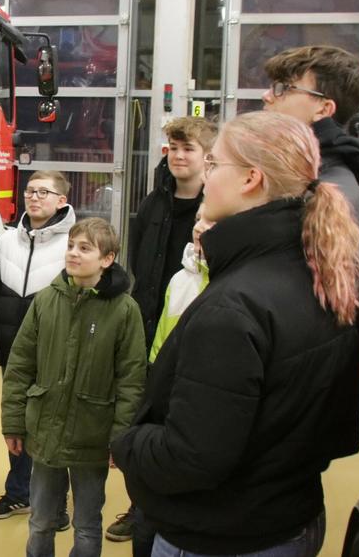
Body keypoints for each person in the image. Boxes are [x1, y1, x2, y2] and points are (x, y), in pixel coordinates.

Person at [112, 111, 359, 556]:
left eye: (214, 164)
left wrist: (127, 442)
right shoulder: (323, 275)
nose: (206, 178)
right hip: (289, 516)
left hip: (221, 534)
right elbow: (338, 428)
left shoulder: (234, 308)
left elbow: (190, 457)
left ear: (251, 178)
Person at [2, 218, 146, 557]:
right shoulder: (46, 301)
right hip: (46, 431)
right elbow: (20, 365)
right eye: (70, 246)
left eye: (85, 248)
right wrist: (13, 422)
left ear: (107, 259)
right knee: (40, 522)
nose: (73, 254)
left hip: (91, 436)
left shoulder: (125, 311)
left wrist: (118, 437)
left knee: (87, 525)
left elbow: (131, 379)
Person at [262, 45, 359, 460]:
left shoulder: (326, 189)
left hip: (291, 415)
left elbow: (315, 321)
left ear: (323, 108)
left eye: (283, 89)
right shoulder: (309, 177)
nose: (267, 97)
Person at [113, 115, 215, 549]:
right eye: (172, 148)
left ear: (208, 158)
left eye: (187, 149)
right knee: (143, 417)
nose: (177, 156)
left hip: (197, 336)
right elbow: (138, 258)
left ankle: (173, 509)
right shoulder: (154, 203)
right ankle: (141, 508)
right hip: (150, 326)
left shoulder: (217, 209)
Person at [0, 171, 76, 523]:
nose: (34, 197)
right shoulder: (6, 241)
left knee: (53, 428)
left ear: (61, 201)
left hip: (57, 357)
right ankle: (19, 493)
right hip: (13, 353)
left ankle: (56, 502)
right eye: (30, 191)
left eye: (44, 192)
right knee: (17, 423)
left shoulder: (75, 243)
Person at [147, 205, 213, 364]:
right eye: (198, 219)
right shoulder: (180, 280)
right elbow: (160, 344)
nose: (198, 227)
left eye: (210, 220)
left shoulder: (236, 280)